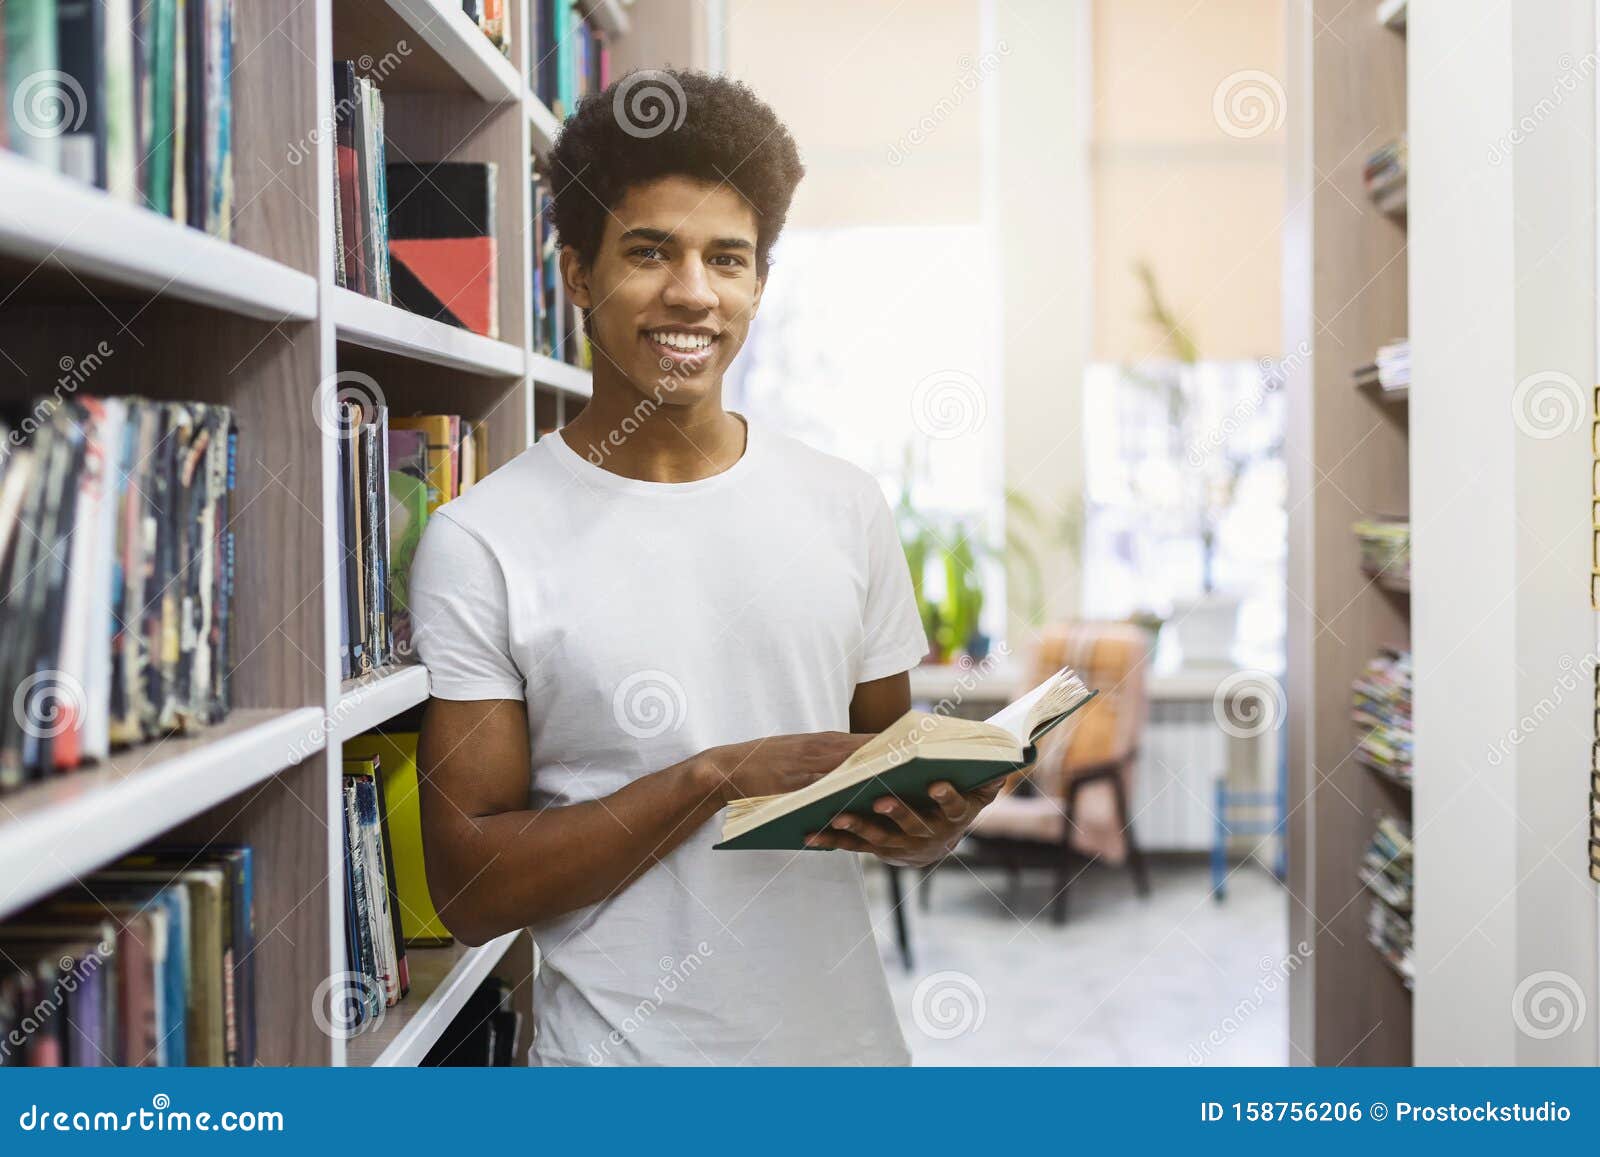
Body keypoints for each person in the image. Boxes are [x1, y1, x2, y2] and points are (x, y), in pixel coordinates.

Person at [407, 68, 1003, 1066]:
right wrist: (713, 776)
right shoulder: (482, 540)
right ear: (577, 276)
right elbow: (471, 889)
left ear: (758, 284)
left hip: (849, 1059)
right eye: (650, 251)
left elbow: (885, 785)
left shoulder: (844, 505)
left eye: (726, 259)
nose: (693, 291)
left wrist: (931, 825)